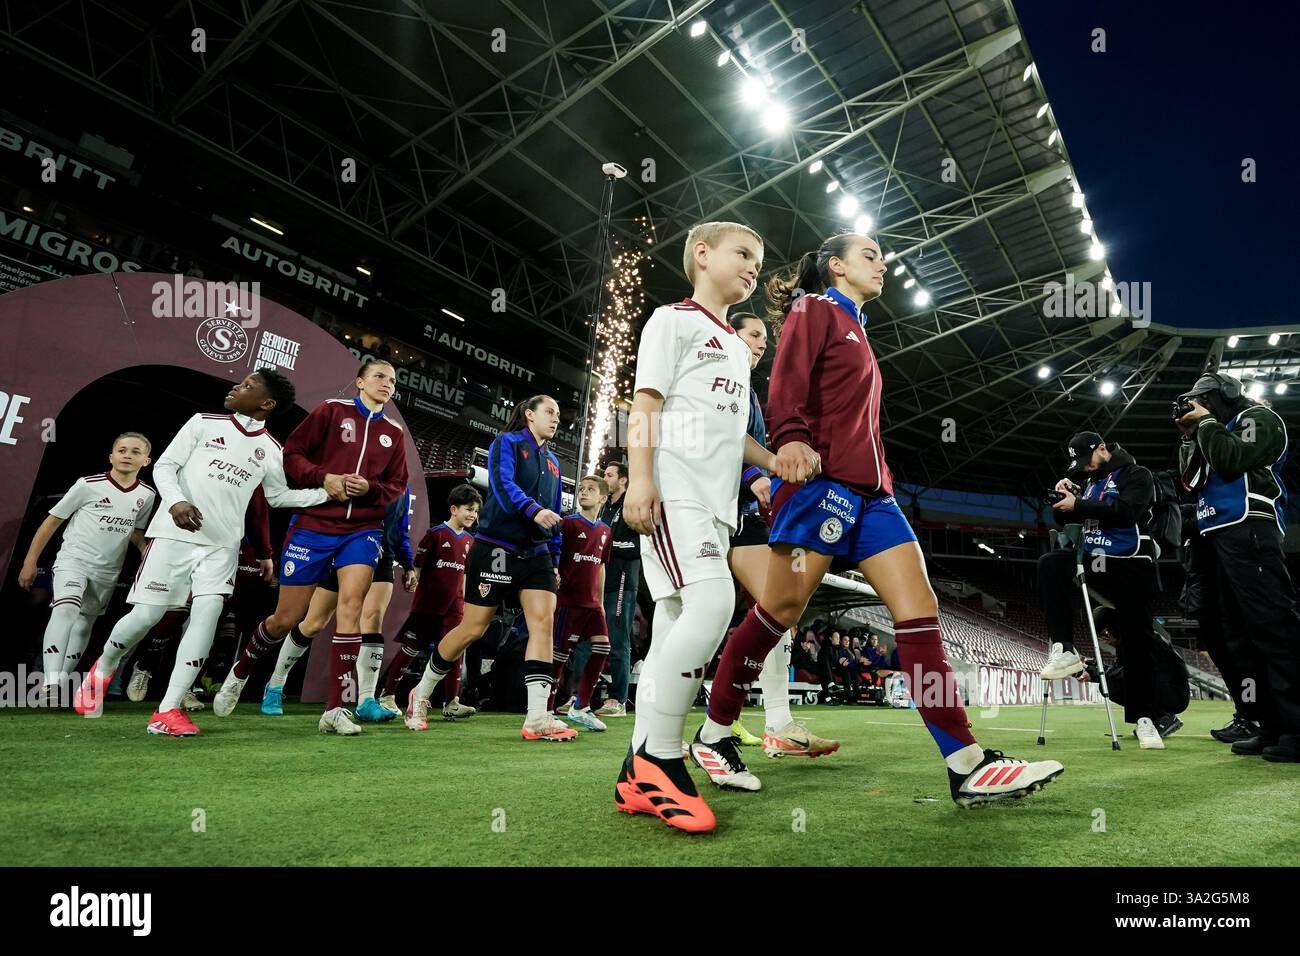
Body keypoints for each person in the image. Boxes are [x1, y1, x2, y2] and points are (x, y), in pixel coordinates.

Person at [698, 232, 1063, 806]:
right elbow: (786, 376)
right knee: (779, 611)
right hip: (820, 486)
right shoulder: (815, 308)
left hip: (875, 496)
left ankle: (965, 763)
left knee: (921, 614)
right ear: (836, 265)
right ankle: (715, 732)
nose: (883, 263)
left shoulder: (859, 328)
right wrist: (790, 438)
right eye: (870, 255)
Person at [617, 220, 780, 833]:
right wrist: (640, 480)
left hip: (715, 502)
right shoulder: (672, 320)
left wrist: (773, 459)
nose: (753, 266)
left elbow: (732, 434)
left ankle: (634, 772)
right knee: (712, 604)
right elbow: (647, 404)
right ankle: (661, 756)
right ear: (702, 255)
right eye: (744, 253)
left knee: (672, 629)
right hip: (674, 489)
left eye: (758, 260)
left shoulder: (737, 346)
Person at [71, 371, 331, 735]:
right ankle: (103, 668)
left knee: (206, 617)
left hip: (222, 547)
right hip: (172, 537)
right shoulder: (202, 423)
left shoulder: (271, 450)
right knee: (146, 616)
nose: (236, 387)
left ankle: (168, 710)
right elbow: (164, 466)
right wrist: (176, 502)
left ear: (266, 404)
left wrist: (328, 493)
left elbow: (278, 497)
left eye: (247, 386)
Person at [215, 360, 410, 735]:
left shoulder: (394, 433)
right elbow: (293, 454)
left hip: (362, 530)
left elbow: (397, 484)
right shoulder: (331, 411)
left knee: (352, 607)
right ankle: (242, 670)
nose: (388, 384)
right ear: (360, 382)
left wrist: (371, 489)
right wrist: (326, 478)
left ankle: (335, 709)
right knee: (287, 618)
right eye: (380, 377)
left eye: (393, 380)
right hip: (314, 525)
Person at [404, 395, 573, 741]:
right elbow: (501, 485)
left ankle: (537, 717)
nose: (556, 419)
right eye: (550, 412)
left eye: (559, 415)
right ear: (529, 414)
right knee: (473, 629)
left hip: (536, 553)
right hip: (497, 547)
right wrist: (532, 510)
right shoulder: (506, 443)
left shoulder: (554, 463)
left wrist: (555, 559)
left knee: (543, 624)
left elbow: (554, 516)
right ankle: (420, 694)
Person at [720, 313, 839, 758]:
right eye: (754, 334)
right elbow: (713, 436)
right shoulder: (714, 376)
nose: (762, 343)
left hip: (740, 517)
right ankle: (665, 735)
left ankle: (776, 724)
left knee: (775, 612)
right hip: (696, 510)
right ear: (730, 334)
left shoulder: (748, 390)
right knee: (692, 618)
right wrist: (759, 471)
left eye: (766, 338)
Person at [1175, 371, 1300, 761]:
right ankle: (1269, 724)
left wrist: (1207, 423)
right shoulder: (1211, 431)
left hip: (1251, 528)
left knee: (1272, 629)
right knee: (1237, 639)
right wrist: (1188, 435)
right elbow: (1190, 482)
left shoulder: (1256, 419)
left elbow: (1233, 461)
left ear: (1227, 393)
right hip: (1216, 535)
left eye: (1205, 398)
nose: (1199, 405)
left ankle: (1297, 727)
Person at [1036, 431, 1166, 748]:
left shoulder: (1137, 474)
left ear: (1103, 449)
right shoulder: (1090, 482)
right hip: (1095, 559)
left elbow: (1126, 513)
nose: (1084, 467)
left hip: (1131, 563)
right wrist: (1064, 499)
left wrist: (1079, 502)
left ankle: (1146, 719)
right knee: (1051, 563)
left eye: (1087, 459)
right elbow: (1067, 519)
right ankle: (1064, 648)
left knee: (1136, 640)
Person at [258, 485, 418, 722]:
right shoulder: (360, 472)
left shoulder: (401, 485)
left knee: (373, 620)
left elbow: (400, 529)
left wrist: (408, 565)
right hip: (349, 554)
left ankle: (365, 700)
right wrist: (364, 539)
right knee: (313, 623)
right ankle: (275, 685)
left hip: (384, 559)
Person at [19, 433, 156, 703]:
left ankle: (59, 684)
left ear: (146, 460)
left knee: (84, 624)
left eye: (135, 451)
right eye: (122, 450)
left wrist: (146, 551)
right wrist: (29, 561)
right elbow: (51, 523)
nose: (127, 455)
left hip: (107, 571)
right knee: (66, 608)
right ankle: (50, 679)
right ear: (111, 456)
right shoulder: (88, 485)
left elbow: (136, 532)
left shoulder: (146, 494)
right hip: (74, 561)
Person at [383, 484, 480, 723]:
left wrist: (466, 603)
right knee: (410, 649)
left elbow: (465, 575)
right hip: (428, 606)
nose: (472, 515)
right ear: (454, 509)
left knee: (453, 650)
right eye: (469, 509)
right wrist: (411, 578)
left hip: (454, 608)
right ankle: (387, 696)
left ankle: (451, 702)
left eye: (476, 511)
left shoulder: (471, 541)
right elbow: (417, 567)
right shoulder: (435, 534)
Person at [564, 461, 637, 718]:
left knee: (617, 639)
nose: (606, 477)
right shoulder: (603, 510)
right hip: (595, 580)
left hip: (622, 581)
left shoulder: (632, 504)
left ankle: (618, 698)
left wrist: (602, 544)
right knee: (585, 640)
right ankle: (578, 697)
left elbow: (639, 547)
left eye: (610, 475)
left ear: (623, 480)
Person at [548, 475, 612, 731]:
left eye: (590, 489)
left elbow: (601, 565)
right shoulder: (568, 524)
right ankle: (547, 709)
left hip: (593, 603)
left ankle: (581, 705)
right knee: (560, 655)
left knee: (603, 648)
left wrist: (602, 600)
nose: (583, 493)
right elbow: (554, 555)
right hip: (569, 601)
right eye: (581, 489)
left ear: (603, 498)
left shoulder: (606, 531)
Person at [1081, 606, 1189, 739]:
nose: (1104, 640)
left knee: (1114, 682)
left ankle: (1162, 718)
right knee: (1108, 684)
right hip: (1166, 686)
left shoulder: (1138, 639)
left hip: (1174, 691)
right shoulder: (1127, 642)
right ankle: (1153, 718)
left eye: (1104, 634)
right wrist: (1095, 671)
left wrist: (1098, 671)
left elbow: (1132, 673)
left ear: (1111, 628)